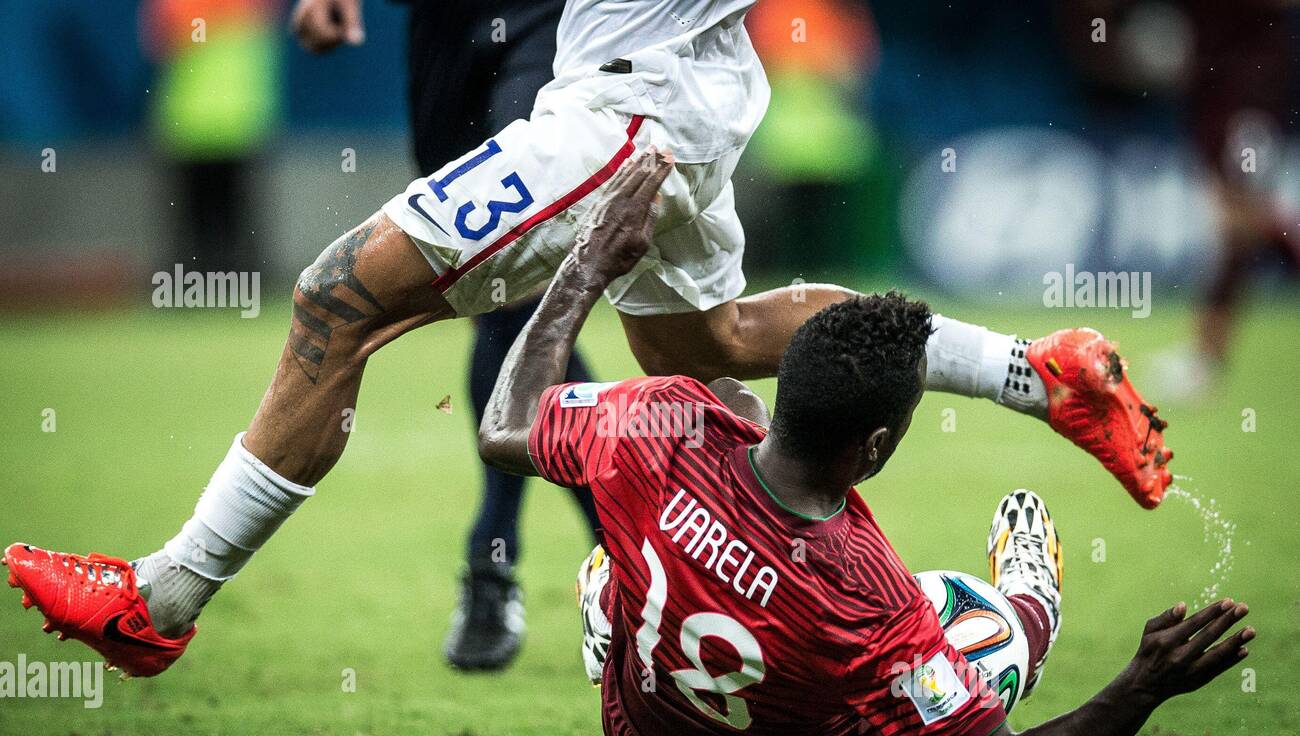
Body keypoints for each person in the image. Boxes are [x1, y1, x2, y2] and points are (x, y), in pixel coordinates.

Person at [4, 2, 1171, 679]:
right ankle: (1038, 373)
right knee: (700, 341)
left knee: (333, 300)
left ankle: (159, 602)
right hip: (685, 86)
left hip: (624, 111)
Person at [476, 149, 1255, 736]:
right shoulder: (877, 598)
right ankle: (1031, 601)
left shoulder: (658, 424)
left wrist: (586, 265)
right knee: (969, 617)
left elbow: (505, 427)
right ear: (876, 444)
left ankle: (614, 615)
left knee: (619, 549)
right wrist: (1143, 684)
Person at [290, 0, 598, 671]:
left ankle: (494, 563)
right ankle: (630, 543)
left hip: (550, 21)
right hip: (443, 31)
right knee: (499, 300)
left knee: (509, 266)